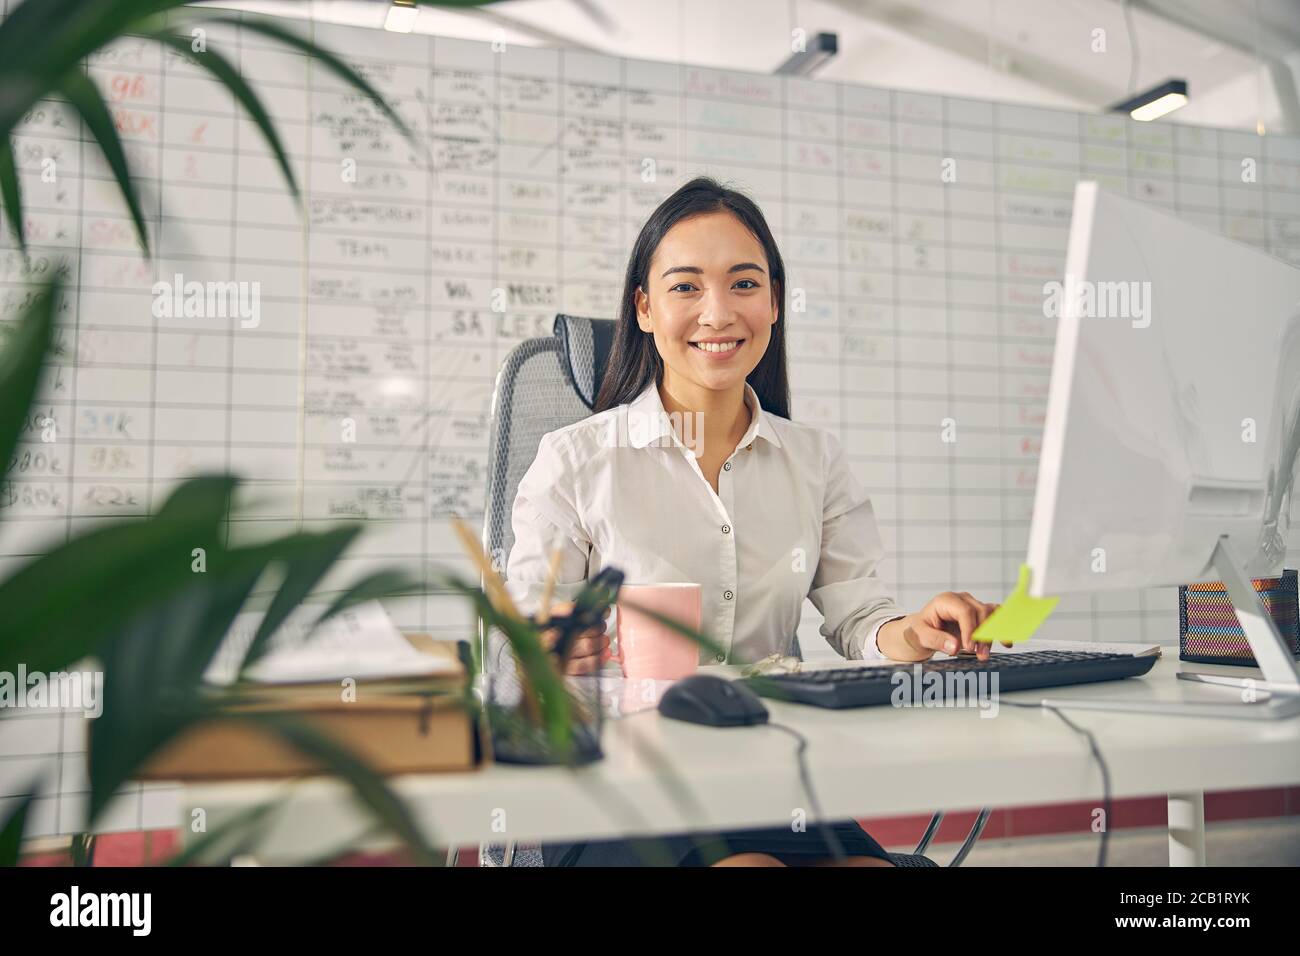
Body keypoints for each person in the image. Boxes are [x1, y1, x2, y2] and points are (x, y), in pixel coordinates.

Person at [505, 175, 1004, 867]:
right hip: (621, 789)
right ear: (644, 309)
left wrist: (913, 632)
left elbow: (859, 615)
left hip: (775, 783)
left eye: (744, 284)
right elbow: (514, 657)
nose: (718, 313)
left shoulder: (813, 459)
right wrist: (549, 656)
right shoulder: (576, 461)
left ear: (773, 302)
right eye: (685, 287)